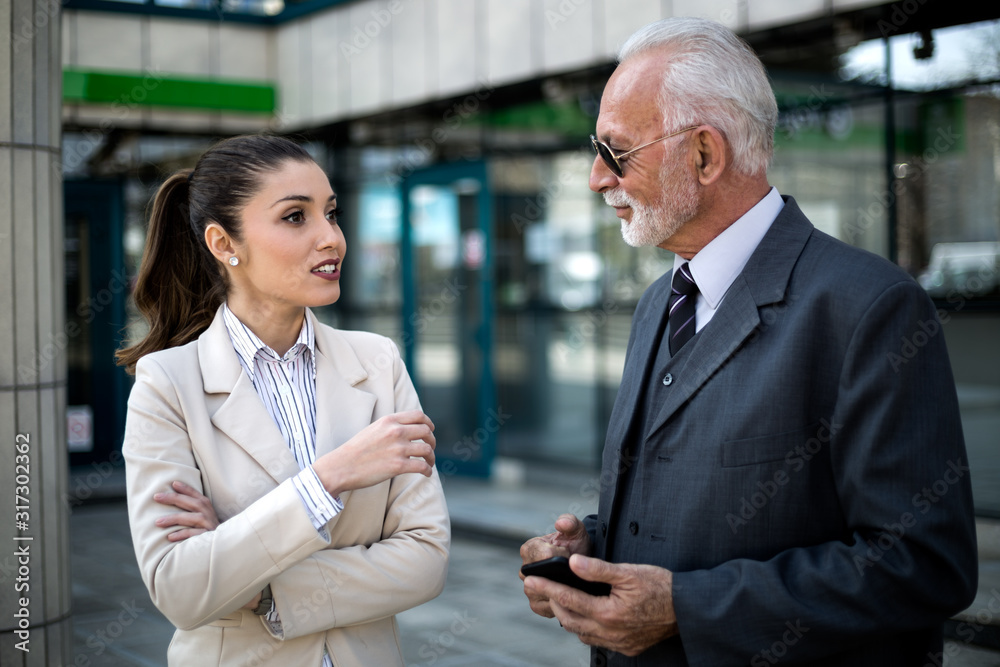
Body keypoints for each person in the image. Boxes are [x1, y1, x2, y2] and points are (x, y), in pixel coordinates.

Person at [520, 17, 977, 666]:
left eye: (616, 152)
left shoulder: (870, 309)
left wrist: (686, 607)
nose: (597, 177)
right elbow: (691, 511)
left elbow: (923, 564)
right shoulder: (658, 303)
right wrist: (591, 551)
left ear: (704, 154)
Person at [117, 134, 450, 667]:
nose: (332, 238)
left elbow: (425, 561)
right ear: (225, 244)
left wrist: (259, 585)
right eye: (296, 217)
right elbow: (180, 590)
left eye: (332, 213)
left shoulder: (377, 361)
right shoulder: (168, 383)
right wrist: (329, 478)